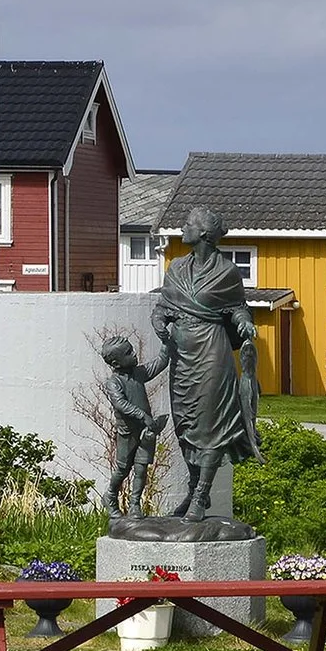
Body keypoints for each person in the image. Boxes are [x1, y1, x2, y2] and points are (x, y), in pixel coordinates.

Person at [152, 206, 260, 517]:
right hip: (182, 355)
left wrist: (244, 323)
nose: (182, 229)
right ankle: (193, 489)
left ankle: (201, 495)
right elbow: (164, 305)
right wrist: (159, 320)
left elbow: (237, 308)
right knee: (184, 423)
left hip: (212, 351)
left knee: (210, 424)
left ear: (203, 233)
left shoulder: (226, 272)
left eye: (187, 225)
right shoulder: (176, 269)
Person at [97, 334, 168, 517]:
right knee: (123, 468)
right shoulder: (114, 382)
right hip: (128, 432)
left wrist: (167, 342)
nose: (135, 354)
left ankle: (135, 504)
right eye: (129, 352)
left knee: (141, 467)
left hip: (146, 430)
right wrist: (143, 415)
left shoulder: (138, 374)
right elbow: (121, 404)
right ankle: (110, 495)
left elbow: (159, 363)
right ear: (116, 362)